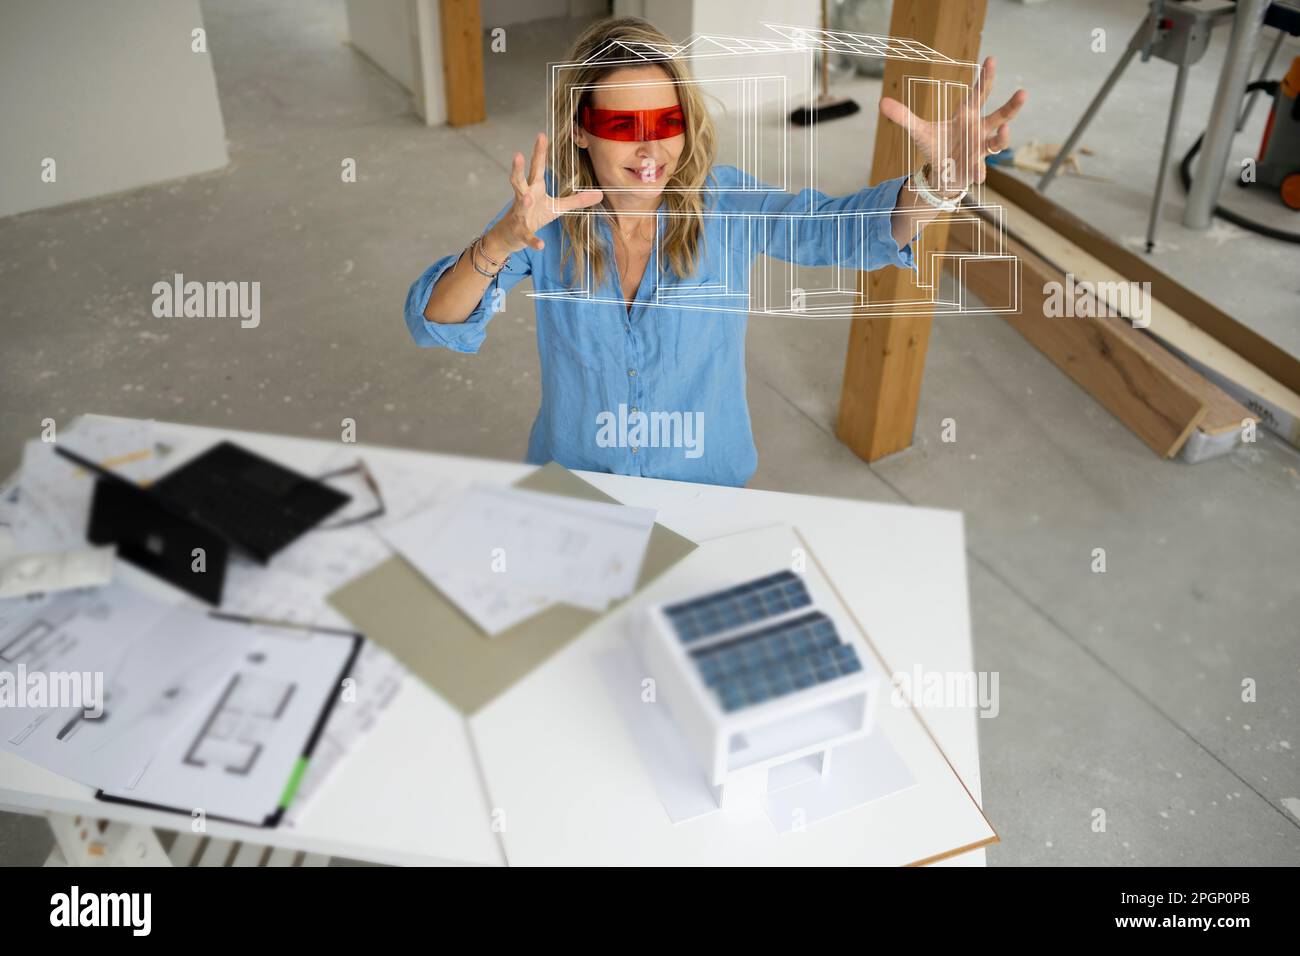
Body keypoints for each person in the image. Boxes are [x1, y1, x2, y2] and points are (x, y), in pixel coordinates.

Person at [405, 16, 1026, 486]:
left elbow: (836, 230)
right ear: (580, 128)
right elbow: (434, 323)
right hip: (578, 486)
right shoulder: (544, 216)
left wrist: (932, 187)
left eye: (666, 122)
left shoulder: (722, 201)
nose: (651, 152)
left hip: (707, 491)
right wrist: (501, 242)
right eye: (624, 128)